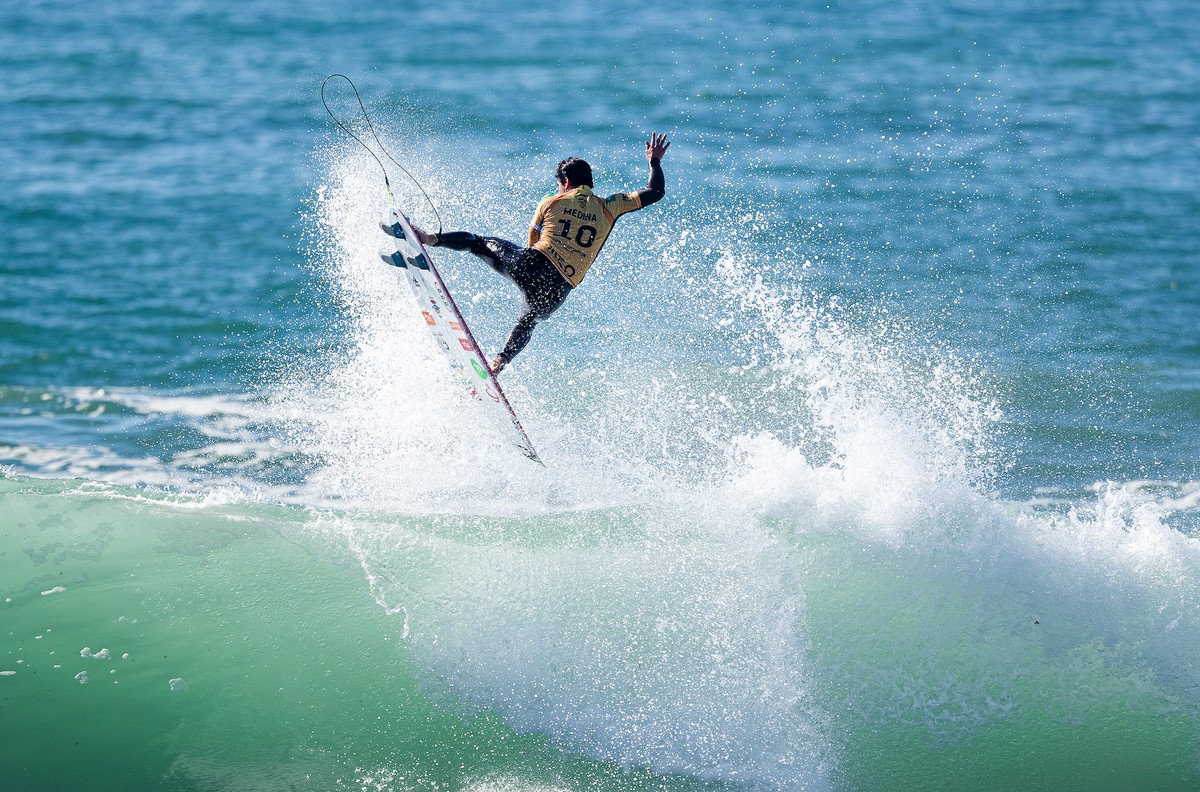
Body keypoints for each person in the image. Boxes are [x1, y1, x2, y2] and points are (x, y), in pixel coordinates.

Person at [414, 133, 671, 375]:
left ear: (566, 183)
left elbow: (532, 240)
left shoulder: (551, 201)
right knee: (528, 320)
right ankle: (499, 362)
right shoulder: (611, 207)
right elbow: (655, 192)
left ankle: (429, 239)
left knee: (479, 243)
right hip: (559, 290)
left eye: (559, 184)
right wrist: (654, 162)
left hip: (534, 264)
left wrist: (526, 270)